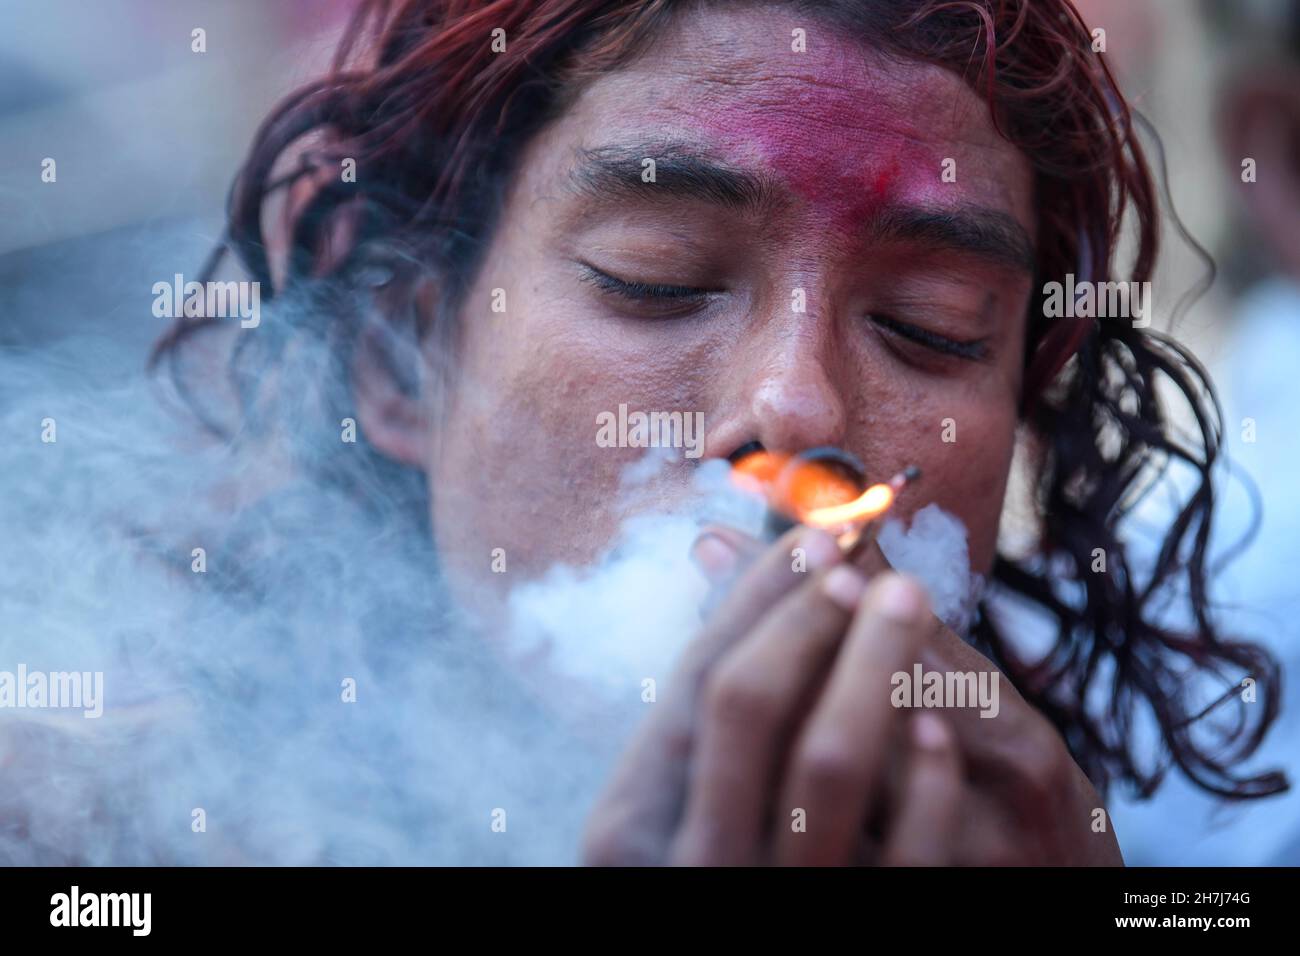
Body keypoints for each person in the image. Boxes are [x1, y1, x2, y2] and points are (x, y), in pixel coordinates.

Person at [151, 0, 1285, 865]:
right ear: (405, 363)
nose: (795, 407)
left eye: (928, 328)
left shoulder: (1123, 838)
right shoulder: (109, 829)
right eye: (657, 280)